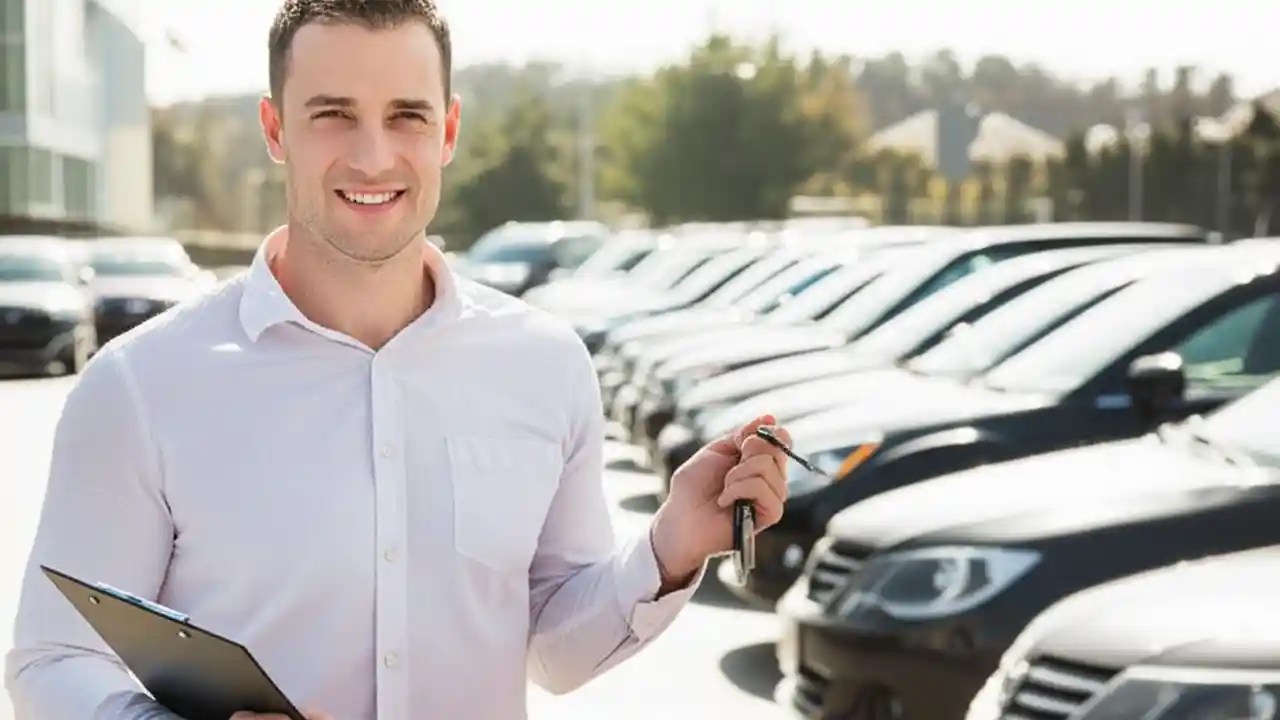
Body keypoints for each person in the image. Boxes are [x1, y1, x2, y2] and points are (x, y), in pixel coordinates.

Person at [3, 1, 791, 718]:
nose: (374, 156)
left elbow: (553, 649)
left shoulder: (545, 366)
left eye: (406, 116)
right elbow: (53, 658)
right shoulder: (141, 385)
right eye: (334, 115)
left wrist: (670, 546)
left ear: (447, 131)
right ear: (275, 130)